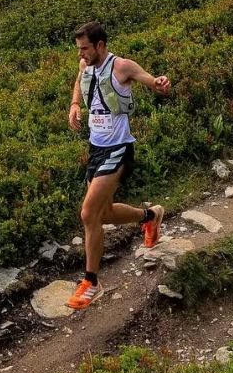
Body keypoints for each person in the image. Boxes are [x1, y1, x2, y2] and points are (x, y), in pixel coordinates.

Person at [65, 21, 171, 310]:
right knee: (104, 213)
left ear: (100, 45)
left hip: (119, 149)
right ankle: (150, 217)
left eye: (85, 48)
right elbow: (79, 81)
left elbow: (148, 79)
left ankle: (91, 282)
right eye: (79, 49)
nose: (81, 54)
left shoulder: (121, 66)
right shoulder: (85, 65)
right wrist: (75, 105)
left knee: (88, 213)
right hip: (97, 149)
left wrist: (159, 83)